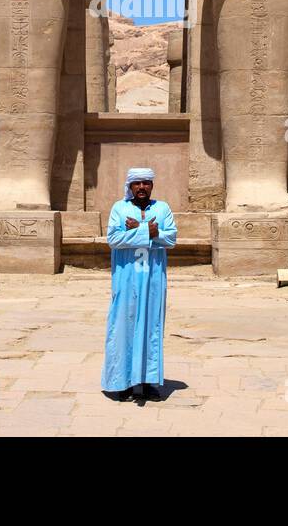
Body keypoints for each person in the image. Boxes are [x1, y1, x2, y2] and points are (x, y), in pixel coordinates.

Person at [101, 166, 177, 404]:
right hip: (127, 278)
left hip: (154, 278)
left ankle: (147, 382)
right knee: (123, 327)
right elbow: (113, 239)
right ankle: (122, 382)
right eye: (137, 183)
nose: (142, 187)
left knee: (151, 327)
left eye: (146, 183)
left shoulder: (162, 208)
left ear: (151, 185)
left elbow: (171, 238)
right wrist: (148, 231)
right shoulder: (119, 208)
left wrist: (142, 231)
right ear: (130, 186)